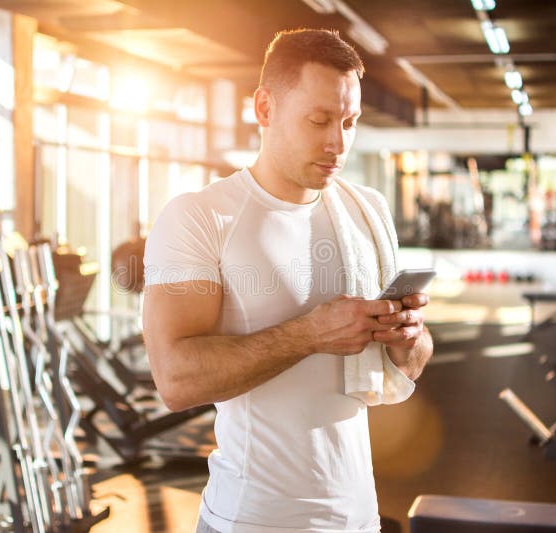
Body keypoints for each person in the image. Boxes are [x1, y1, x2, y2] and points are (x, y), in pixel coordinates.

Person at [143, 28, 433, 532]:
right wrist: (309, 335)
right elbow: (174, 379)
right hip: (253, 520)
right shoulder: (201, 217)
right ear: (264, 108)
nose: (337, 142)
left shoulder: (367, 213)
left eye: (349, 122)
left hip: (358, 515)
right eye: (319, 120)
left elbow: (413, 363)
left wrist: (409, 339)